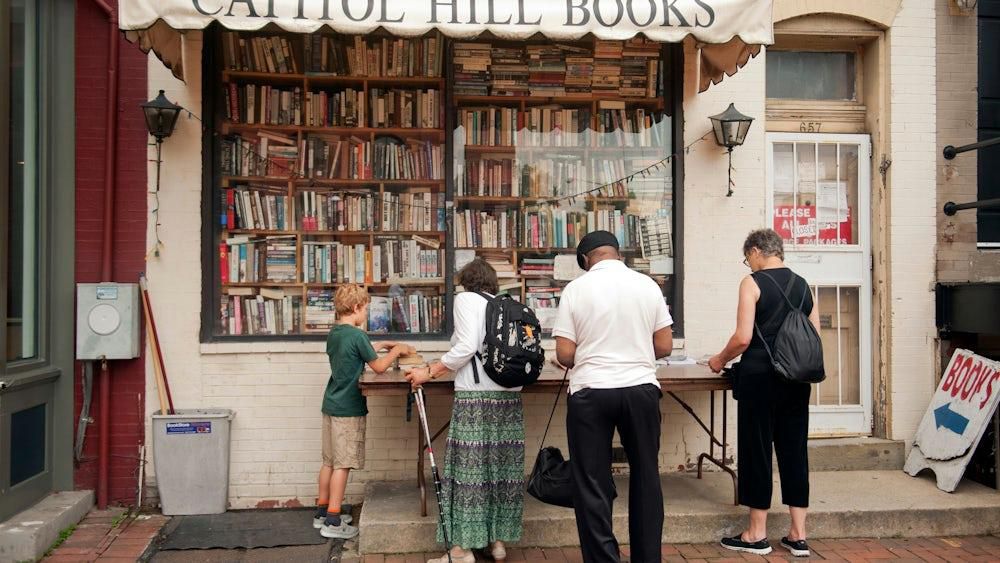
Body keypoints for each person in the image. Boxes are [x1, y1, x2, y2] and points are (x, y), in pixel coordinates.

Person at [552, 230, 674, 563]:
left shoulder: (576, 289)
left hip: (592, 391)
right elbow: (664, 346)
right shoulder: (647, 285)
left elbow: (565, 354)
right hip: (640, 389)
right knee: (646, 475)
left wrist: (592, 351)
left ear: (585, 260)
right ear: (617, 254)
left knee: (591, 481)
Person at [708, 228, 820, 558]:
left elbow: (743, 338)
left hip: (761, 377)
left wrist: (719, 359)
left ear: (757, 251)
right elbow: (812, 333)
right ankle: (798, 535)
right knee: (794, 451)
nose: (748, 264)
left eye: (748, 258)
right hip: (797, 379)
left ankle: (756, 534)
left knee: (757, 451)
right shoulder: (803, 285)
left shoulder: (752, 283)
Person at [406, 258, 525, 563]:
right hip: (509, 396)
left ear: (465, 281)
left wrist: (430, 371)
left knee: (468, 472)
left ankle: (461, 550)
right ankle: (497, 543)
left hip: (476, 398)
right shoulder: (504, 303)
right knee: (500, 470)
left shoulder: (466, 300)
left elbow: (466, 346)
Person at [314, 284, 414, 539]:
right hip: (348, 408)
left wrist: (379, 344)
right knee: (343, 464)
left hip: (331, 404)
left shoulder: (336, 333)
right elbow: (379, 367)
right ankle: (334, 521)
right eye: (366, 309)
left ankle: (322, 512)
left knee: (329, 461)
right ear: (356, 307)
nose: (366, 314)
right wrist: (396, 350)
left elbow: (355, 353)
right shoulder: (357, 335)